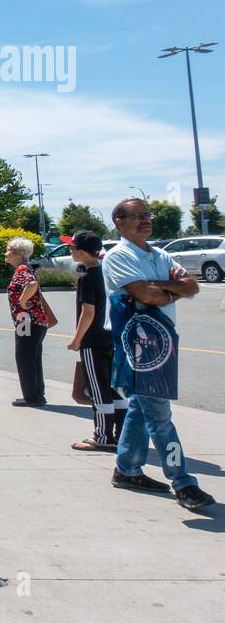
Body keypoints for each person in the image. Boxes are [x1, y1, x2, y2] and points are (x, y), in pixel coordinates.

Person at [104, 198, 214, 510]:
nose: (144, 220)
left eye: (146, 214)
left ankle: (126, 470)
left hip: (162, 341)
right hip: (139, 347)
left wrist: (158, 289)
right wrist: (166, 290)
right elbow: (145, 294)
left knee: (141, 406)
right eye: (136, 215)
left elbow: (192, 286)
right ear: (119, 222)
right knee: (160, 416)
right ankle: (183, 482)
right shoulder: (118, 256)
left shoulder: (161, 254)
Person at [65, 230, 125, 451]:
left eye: (72, 248)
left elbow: (87, 312)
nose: (70, 250)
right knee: (112, 387)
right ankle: (122, 434)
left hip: (93, 340)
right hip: (111, 337)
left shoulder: (88, 278)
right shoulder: (107, 274)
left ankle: (103, 436)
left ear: (81, 253)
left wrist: (77, 339)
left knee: (97, 390)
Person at [5, 236, 48, 407]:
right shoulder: (25, 268)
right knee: (32, 357)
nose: (6, 253)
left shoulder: (22, 270)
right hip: (33, 321)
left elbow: (31, 284)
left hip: (27, 321)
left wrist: (22, 301)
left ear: (18, 253)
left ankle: (32, 396)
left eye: (8, 250)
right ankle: (36, 394)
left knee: (24, 357)